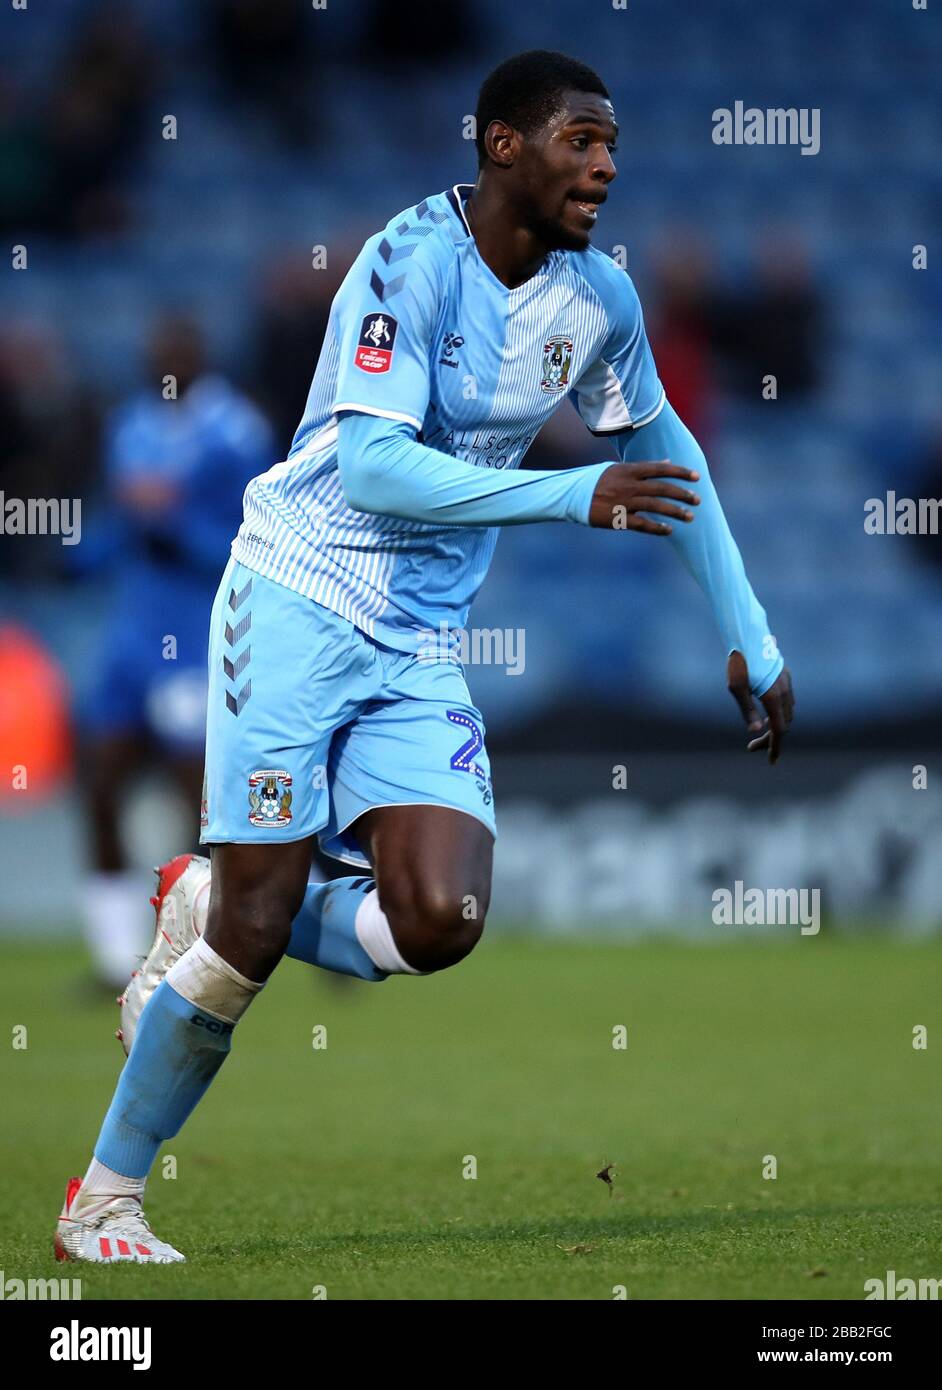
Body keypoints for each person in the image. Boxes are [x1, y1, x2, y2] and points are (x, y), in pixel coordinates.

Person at [54, 50, 793, 1264]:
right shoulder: (407, 261)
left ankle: (218, 884)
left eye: (612, 144)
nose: (605, 164)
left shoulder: (601, 300)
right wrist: (571, 494)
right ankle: (106, 1200)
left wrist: (752, 635)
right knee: (250, 934)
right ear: (503, 144)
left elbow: (671, 462)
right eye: (580, 139)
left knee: (441, 917)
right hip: (295, 595)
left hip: (414, 635)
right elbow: (376, 466)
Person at [74, 315, 275, 989]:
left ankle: (221, 945)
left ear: (199, 355)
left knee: (201, 799)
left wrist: (173, 524)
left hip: (197, 632)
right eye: (155, 348)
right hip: (133, 634)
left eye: (175, 349)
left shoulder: (236, 429)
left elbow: (255, 535)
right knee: (100, 781)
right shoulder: (128, 423)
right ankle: (113, 963)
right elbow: (120, 525)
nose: (163, 359)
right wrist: (79, 552)